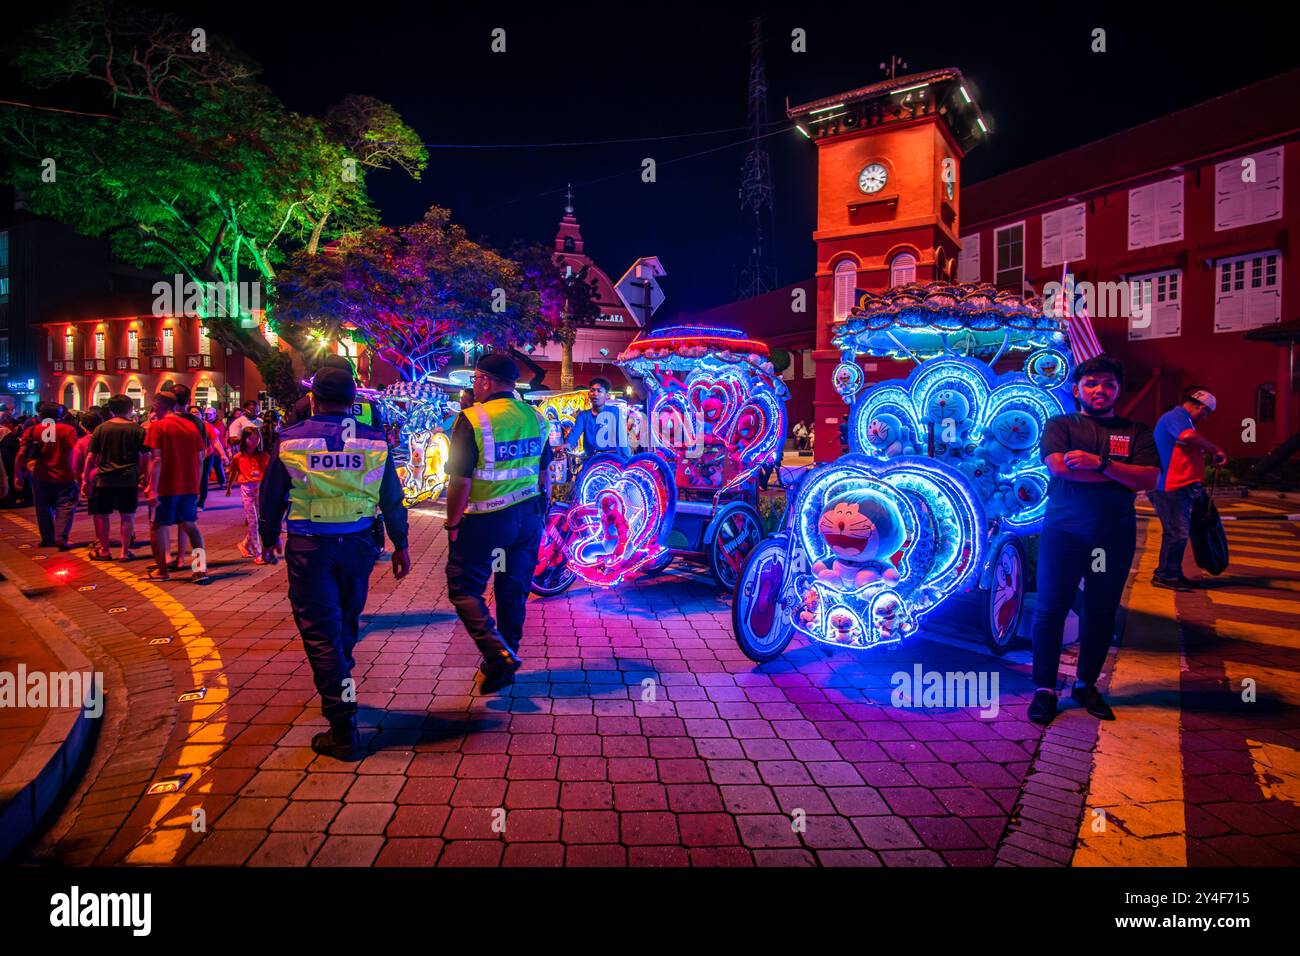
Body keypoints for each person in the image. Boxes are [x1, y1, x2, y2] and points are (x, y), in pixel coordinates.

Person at [258, 366, 411, 760]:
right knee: (344, 622)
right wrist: (401, 545)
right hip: (359, 547)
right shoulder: (375, 441)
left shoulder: (291, 439)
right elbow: (392, 498)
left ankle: (343, 727)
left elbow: (271, 495)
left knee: (320, 632)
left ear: (313, 399)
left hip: (311, 548)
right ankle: (340, 675)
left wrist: (268, 537)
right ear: (353, 402)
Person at [1028, 355, 1161, 727]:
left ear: (1118, 390)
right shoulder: (1061, 425)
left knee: (1101, 611)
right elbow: (1058, 467)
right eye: (1091, 384)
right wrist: (1122, 475)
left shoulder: (1136, 432)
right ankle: (1045, 689)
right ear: (1077, 389)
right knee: (1050, 609)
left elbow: (1149, 479)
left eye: (1108, 384)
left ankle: (1086, 685)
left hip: (1111, 537)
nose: (1099, 390)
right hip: (1065, 533)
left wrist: (1098, 463)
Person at [444, 353, 551, 693]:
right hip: (527, 516)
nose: (474, 387)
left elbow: (459, 481)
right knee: (513, 591)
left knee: (464, 589)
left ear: (487, 381)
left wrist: (453, 522)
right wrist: (541, 512)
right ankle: (505, 658)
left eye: (475, 380)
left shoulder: (472, 419)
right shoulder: (536, 417)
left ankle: (497, 653)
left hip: (486, 519)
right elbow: (544, 470)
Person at [1149, 389, 1226, 591]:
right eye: (1206, 413)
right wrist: (1215, 449)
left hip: (1180, 487)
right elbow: (1187, 436)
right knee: (1178, 533)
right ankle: (1166, 575)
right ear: (1201, 407)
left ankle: (1171, 572)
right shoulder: (1176, 417)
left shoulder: (1183, 420)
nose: (1205, 418)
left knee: (1175, 532)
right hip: (1169, 486)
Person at [143, 386, 209, 583]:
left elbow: (156, 459)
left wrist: (151, 488)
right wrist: (197, 485)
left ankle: (162, 571)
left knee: (158, 526)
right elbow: (200, 457)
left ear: (161, 405)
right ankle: (200, 569)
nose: (154, 409)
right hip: (189, 486)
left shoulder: (158, 427)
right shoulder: (191, 426)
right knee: (191, 526)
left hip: (166, 486)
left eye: (155, 405)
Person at [85, 395, 147, 562]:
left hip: (104, 478)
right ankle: (124, 552)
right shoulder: (137, 429)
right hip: (128, 478)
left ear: (111, 410)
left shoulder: (101, 429)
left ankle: (104, 550)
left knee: (101, 514)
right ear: (130, 408)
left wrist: (85, 478)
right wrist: (144, 475)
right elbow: (146, 456)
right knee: (127, 515)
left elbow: (91, 456)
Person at [16, 403, 80, 549]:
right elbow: (75, 450)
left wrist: (17, 474)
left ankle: (47, 538)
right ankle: (61, 537)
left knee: (43, 508)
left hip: (40, 475)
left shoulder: (33, 430)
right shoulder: (67, 429)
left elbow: (21, 454)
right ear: (62, 415)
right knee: (64, 506)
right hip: (64, 475)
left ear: (40, 415)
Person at [226, 426, 269, 563]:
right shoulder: (238, 457)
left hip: (260, 490)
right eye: (251, 438)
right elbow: (232, 472)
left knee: (259, 521)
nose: (254, 440)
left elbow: (268, 474)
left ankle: (245, 544)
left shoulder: (263, 456)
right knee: (253, 521)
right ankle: (258, 553)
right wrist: (228, 488)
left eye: (257, 437)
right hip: (247, 490)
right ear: (244, 439)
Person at [565, 376, 630, 462]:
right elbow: (574, 434)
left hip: (612, 459)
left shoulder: (614, 412)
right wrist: (567, 445)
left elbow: (622, 437)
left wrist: (627, 459)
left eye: (599, 391)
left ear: (607, 395)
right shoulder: (583, 416)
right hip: (591, 460)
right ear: (589, 394)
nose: (595, 393)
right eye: (592, 390)